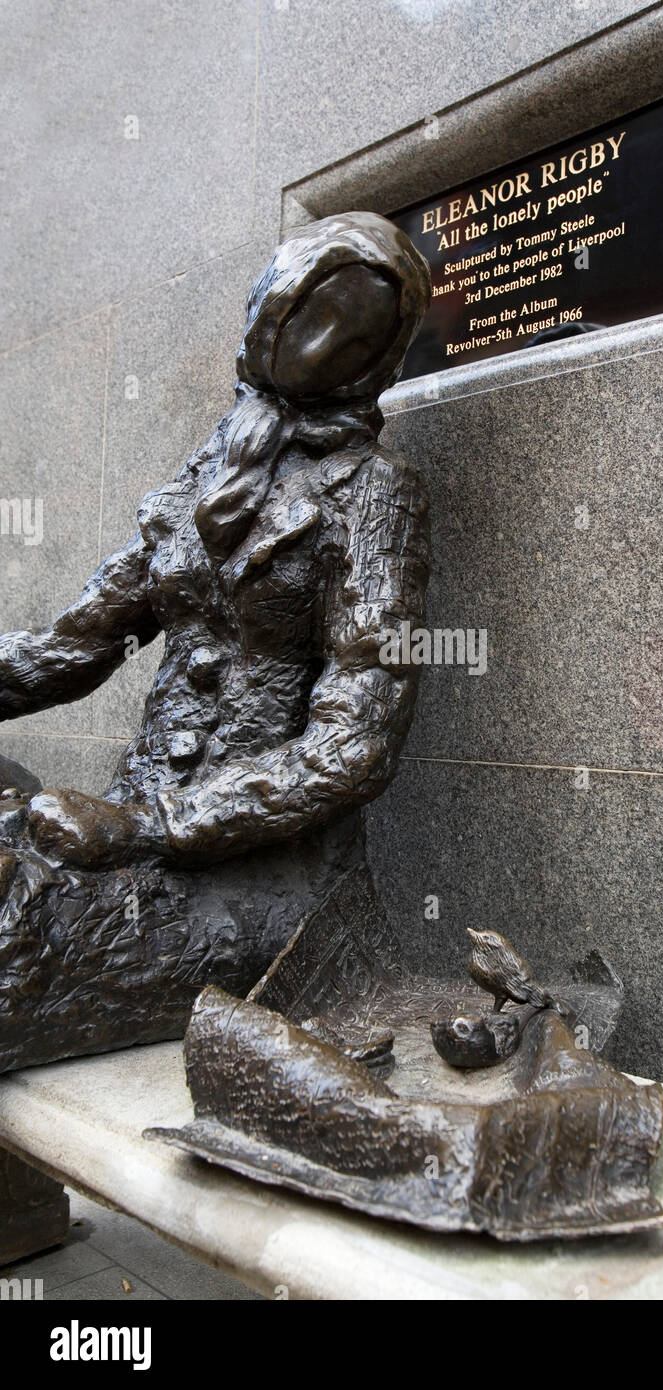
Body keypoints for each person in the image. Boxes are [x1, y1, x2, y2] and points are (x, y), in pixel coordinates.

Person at [0, 212, 431, 1070]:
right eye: (289, 309)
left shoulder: (377, 493)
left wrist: (152, 825)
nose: (300, 336)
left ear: (376, 351)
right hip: (121, 843)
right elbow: (75, 645)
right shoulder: (207, 478)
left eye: (341, 323)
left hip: (265, 892)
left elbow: (354, 750)